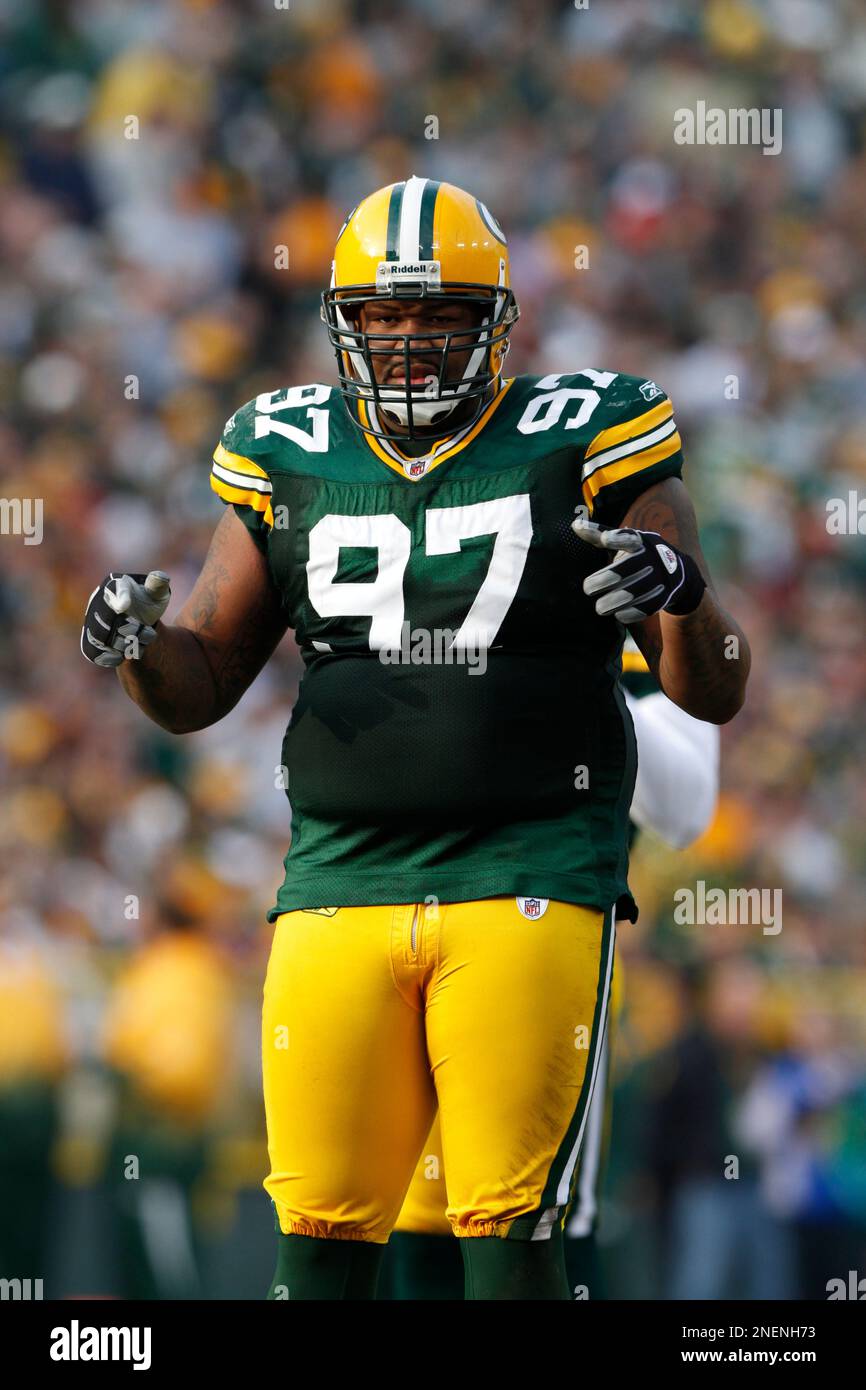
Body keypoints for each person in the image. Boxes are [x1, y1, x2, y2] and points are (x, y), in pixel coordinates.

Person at [81, 176, 749, 1300]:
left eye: (435, 317)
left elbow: (713, 691)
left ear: (493, 323)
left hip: (525, 870)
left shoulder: (584, 426)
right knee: (321, 1233)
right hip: (336, 877)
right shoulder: (284, 442)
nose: (403, 345)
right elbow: (200, 679)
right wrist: (136, 644)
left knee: (499, 1236)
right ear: (342, 323)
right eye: (380, 318)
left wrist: (680, 595)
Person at [381, 639, 721, 1299]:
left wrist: (561, 661)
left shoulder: (642, 595)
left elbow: (685, 809)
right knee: (408, 1225)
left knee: (539, 1223)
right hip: (401, 923)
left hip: (548, 936)